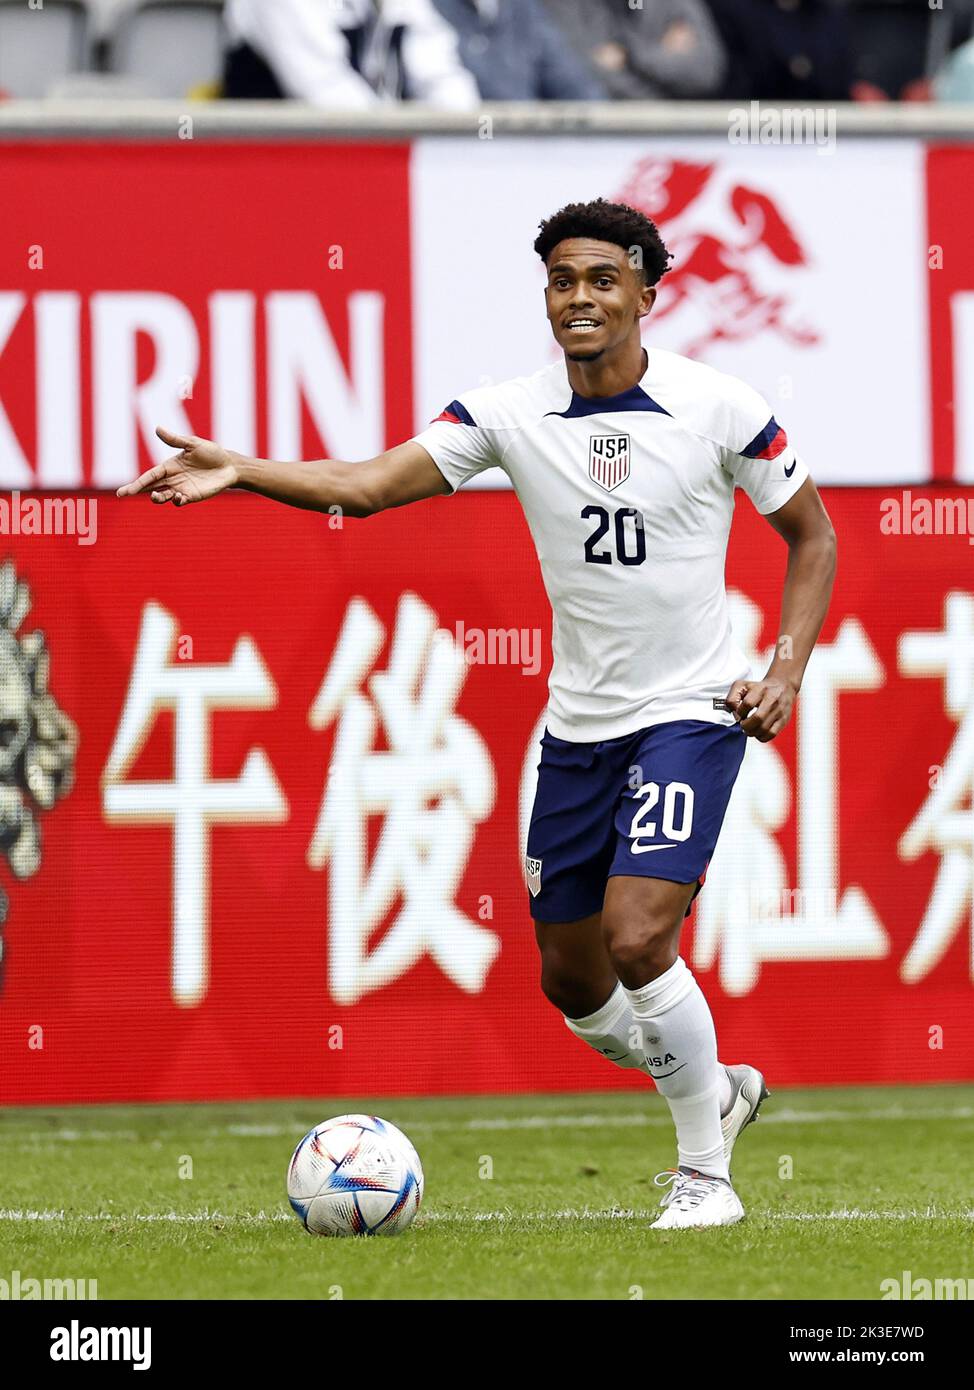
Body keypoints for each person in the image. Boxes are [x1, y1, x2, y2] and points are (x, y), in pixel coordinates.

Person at [117, 198, 836, 1230]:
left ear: (645, 290)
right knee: (574, 983)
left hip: (690, 709)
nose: (577, 298)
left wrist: (781, 669)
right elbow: (359, 487)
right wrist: (242, 470)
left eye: (599, 279)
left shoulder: (720, 407)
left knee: (640, 940)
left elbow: (810, 536)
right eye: (560, 280)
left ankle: (703, 1173)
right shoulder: (505, 412)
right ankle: (712, 1082)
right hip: (577, 728)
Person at [222, 0, 478, 108]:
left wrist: (462, 143)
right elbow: (329, 97)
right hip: (277, 179)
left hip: (373, 168)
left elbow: (443, 77)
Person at [542, 0, 726, 99]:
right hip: (597, 143)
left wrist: (630, 57)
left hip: (671, 140)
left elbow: (705, 72)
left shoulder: (673, 4)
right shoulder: (563, 4)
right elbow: (581, 76)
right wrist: (662, 101)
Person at [431, 0, 605, 100]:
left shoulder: (521, 8)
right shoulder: (426, 9)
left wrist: (602, 124)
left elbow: (569, 79)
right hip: (466, 149)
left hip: (526, 148)